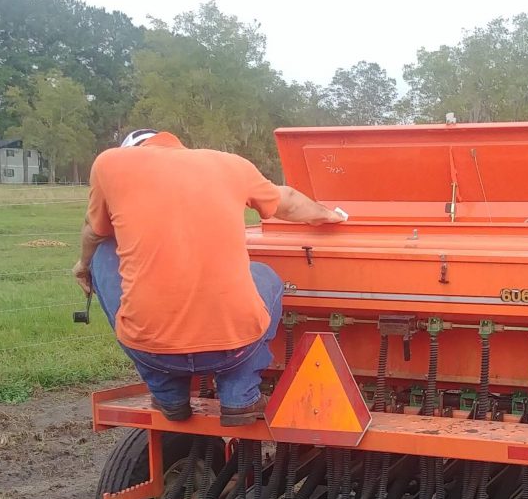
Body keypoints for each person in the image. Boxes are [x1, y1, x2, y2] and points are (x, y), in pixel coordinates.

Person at [73, 128, 344, 426]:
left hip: (153, 352)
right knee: (264, 274)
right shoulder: (231, 164)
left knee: (101, 251)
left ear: (131, 150)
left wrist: (82, 266)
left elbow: (93, 231)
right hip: (234, 349)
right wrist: (328, 214)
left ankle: (168, 394)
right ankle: (240, 396)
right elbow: (288, 200)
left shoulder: (110, 163)